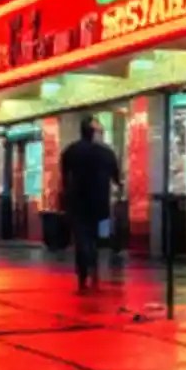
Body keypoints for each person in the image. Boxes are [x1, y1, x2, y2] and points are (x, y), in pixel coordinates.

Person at [60, 115, 121, 292]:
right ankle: (93, 268)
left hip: (77, 201)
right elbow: (116, 178)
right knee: (95, 236)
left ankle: (83, 274)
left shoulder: (71, 151)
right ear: (94, 132)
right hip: (100, 202)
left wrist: (65, 199)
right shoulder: (106, 153)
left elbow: (64, 178)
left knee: (81, 238)